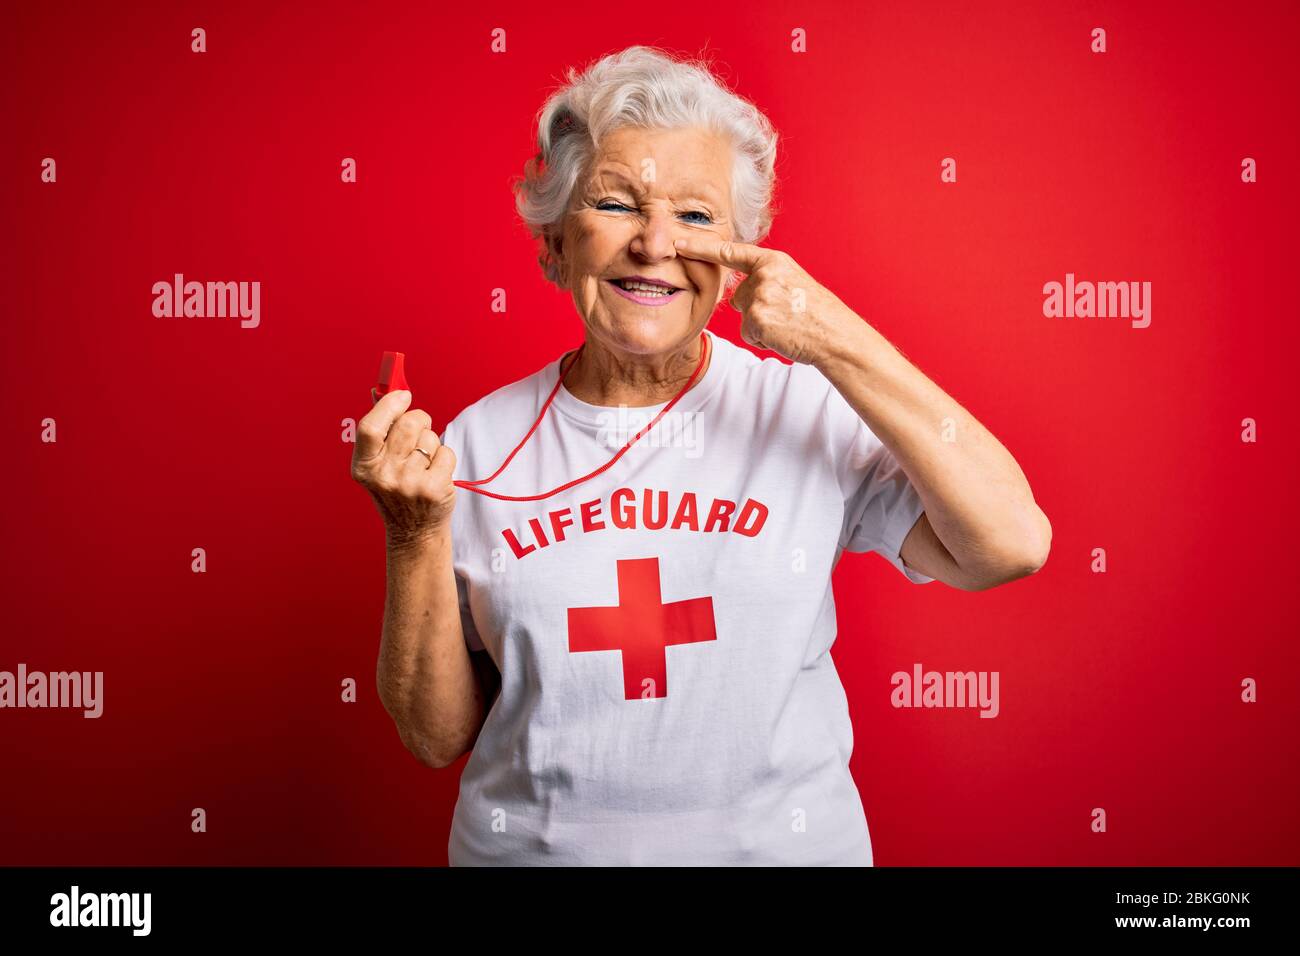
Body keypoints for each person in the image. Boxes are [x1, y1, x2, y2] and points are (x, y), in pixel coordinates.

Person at [351, 45, 1051, 865]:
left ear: (736, 260)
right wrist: (413, 534)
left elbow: (1011, 544)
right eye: (616, 203)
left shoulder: (803, 409)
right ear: (553, 244)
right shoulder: (473, 445)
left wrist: (834, 339)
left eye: (694, 216)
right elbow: (436, 738)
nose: (654, 245)